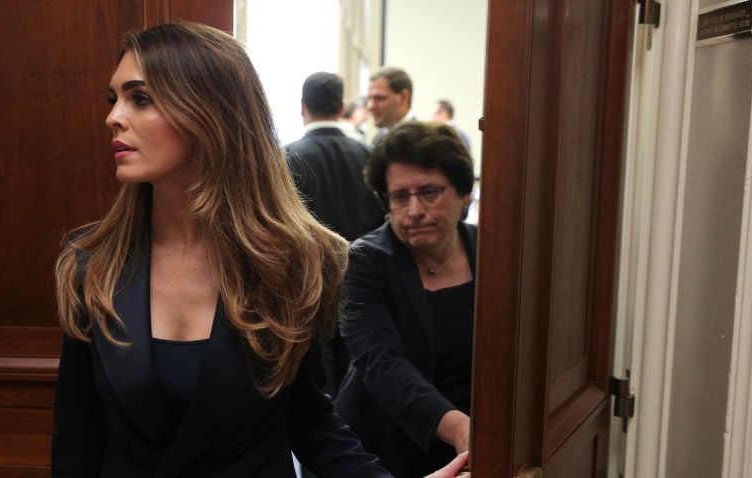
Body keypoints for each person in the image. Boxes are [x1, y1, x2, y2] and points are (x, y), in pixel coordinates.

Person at [50, 21, 469, 478]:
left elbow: (307, 418)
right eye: (114, 98)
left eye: (141, 98)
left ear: (210, 111)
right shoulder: (92, 262)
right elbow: (77, 441)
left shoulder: (296, 261)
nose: (113, 116)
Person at [335, 122, 477, 478]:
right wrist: (460, 428)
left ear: (465, 195)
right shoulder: (365, 261)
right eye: (400, 197)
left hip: (473, 439)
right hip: (384, 445)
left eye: (429, 192)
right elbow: (381, 363)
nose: (413, 210)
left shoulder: (492, 251)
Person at [285, 72, 385, 399]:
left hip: (305, 286)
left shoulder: (285, 159)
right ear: (341, 108)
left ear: (302, 108)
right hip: (365, 280)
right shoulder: (368, 156)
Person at [367, 67, 414, 144]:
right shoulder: (378, 138)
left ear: (403, 97)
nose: (371, 106)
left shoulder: (423, 141)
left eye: (379, 98)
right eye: (369, 98)